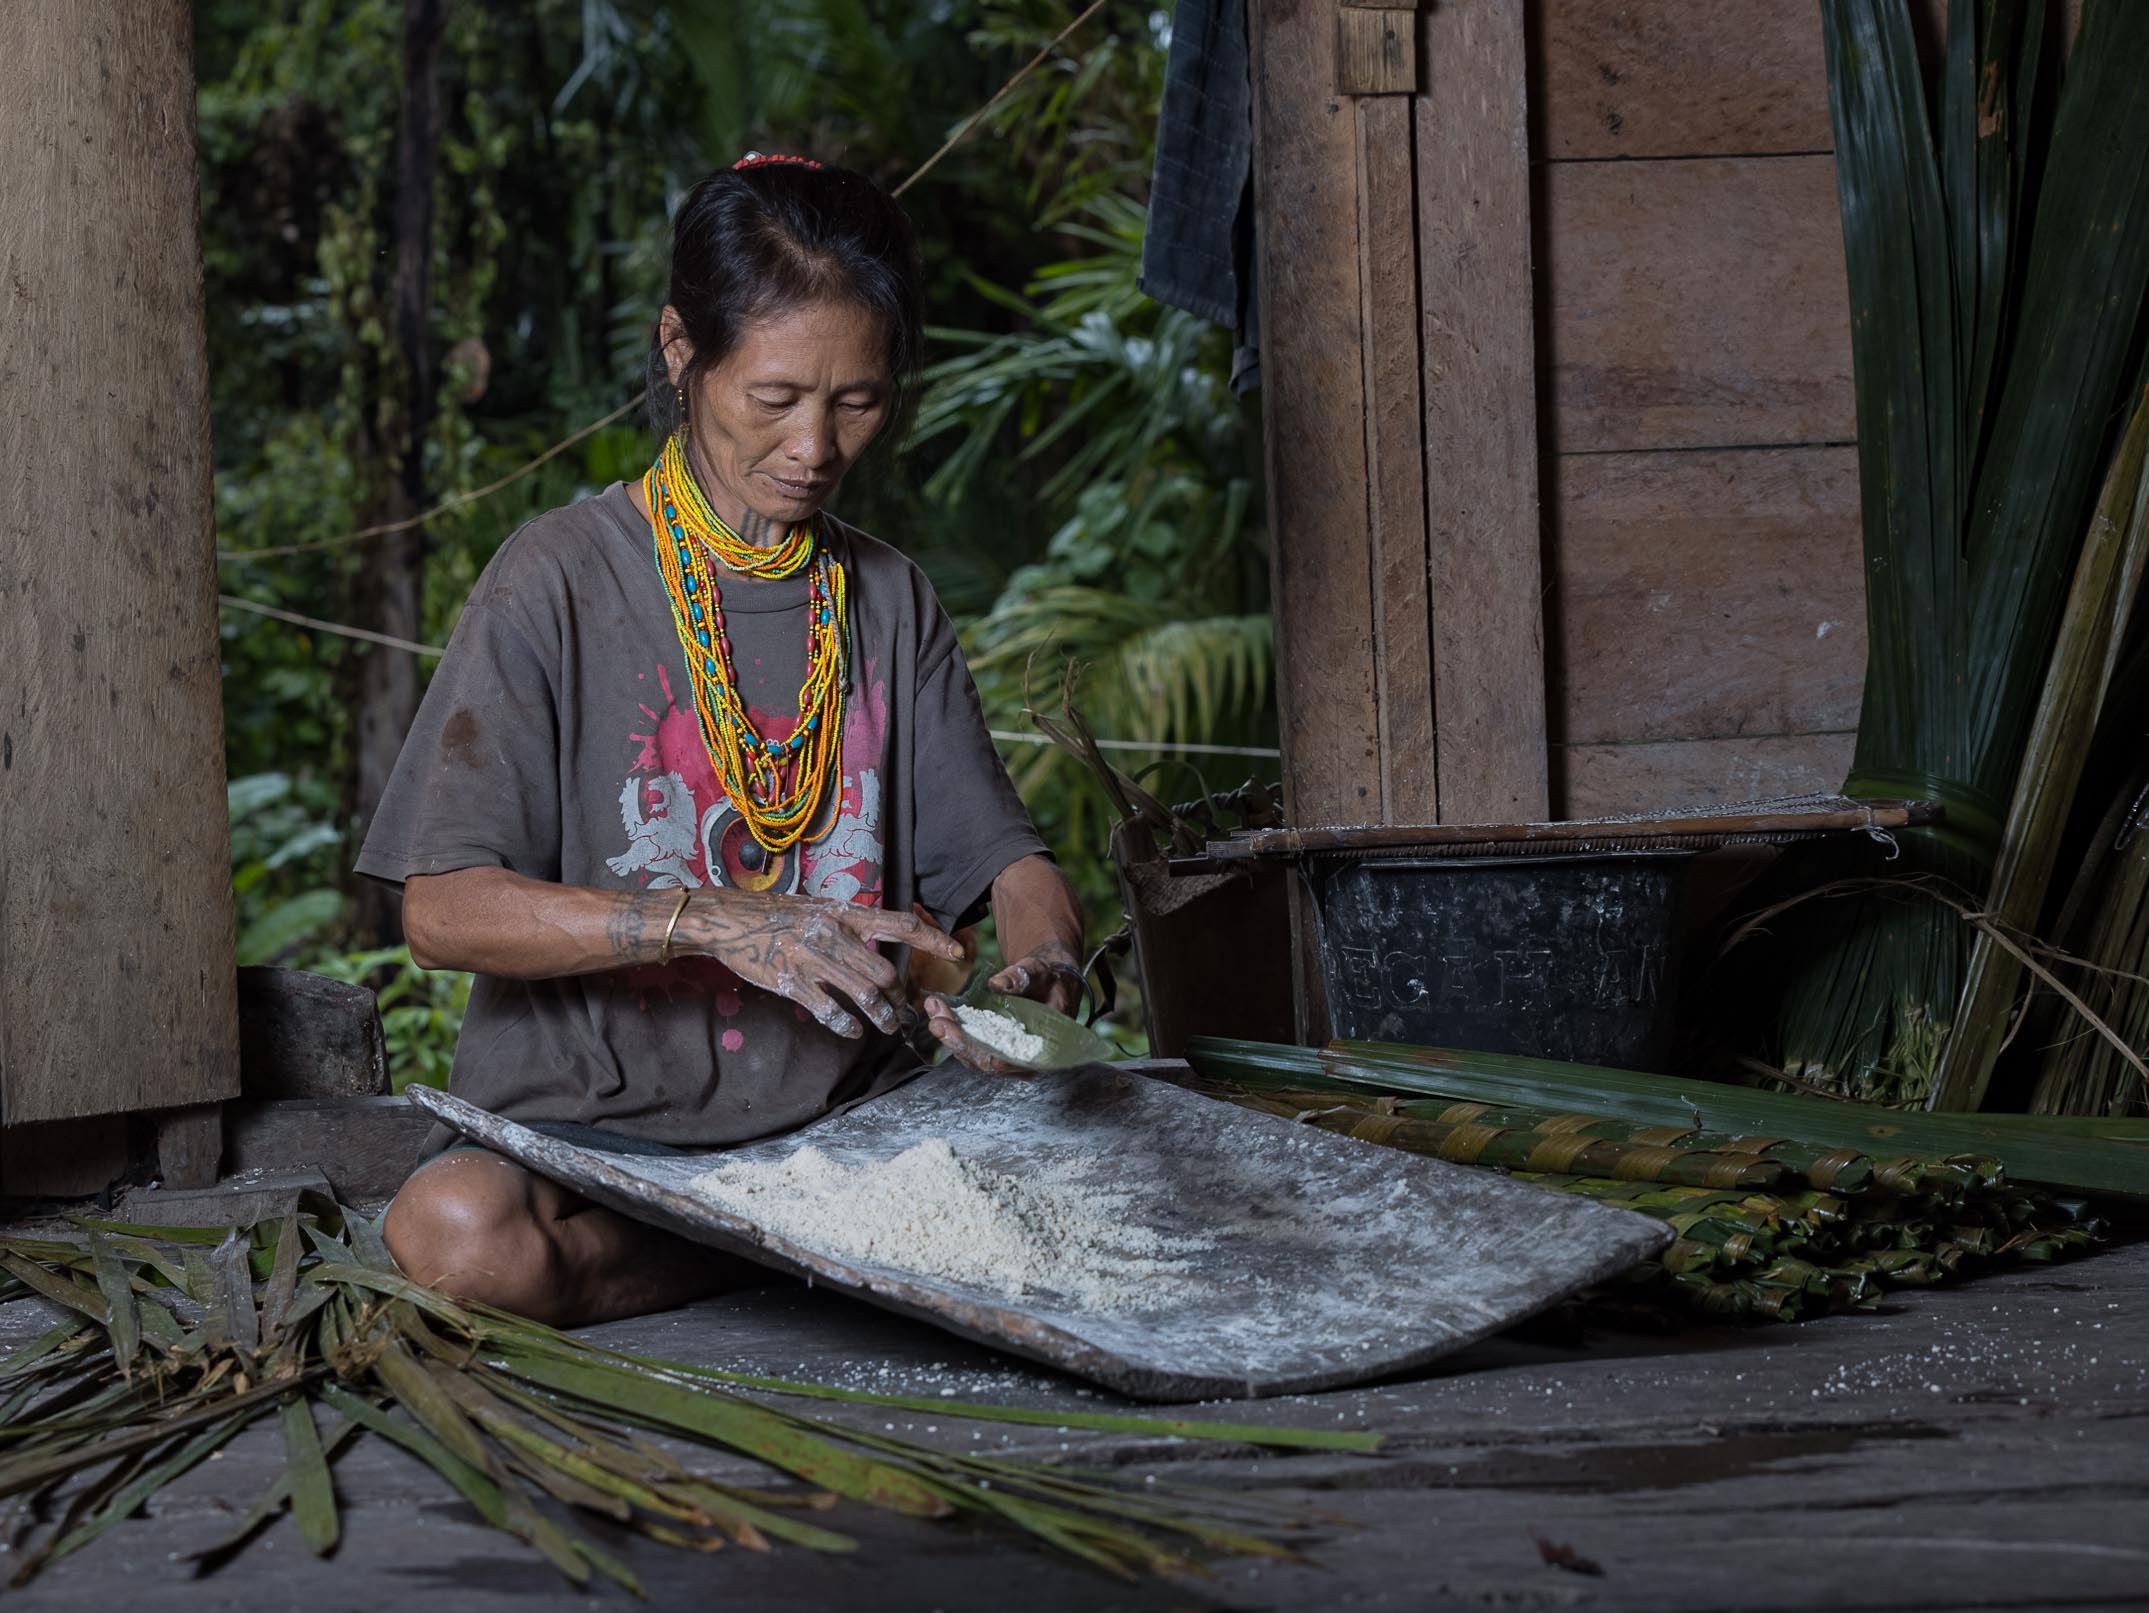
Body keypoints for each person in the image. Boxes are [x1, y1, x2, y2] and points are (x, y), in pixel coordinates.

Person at [361, 154, 1085, 1327]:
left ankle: (792, 1234)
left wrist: (1041, 967)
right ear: (679, 350)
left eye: (858, 400)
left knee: (1102, 1149)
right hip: (593, 1137)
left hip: (850, 1131)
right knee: (450, 1233)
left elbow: (1012, 868)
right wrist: (709, 916)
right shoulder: (556, 578)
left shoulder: (887, 598)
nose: (816, 445)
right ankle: (773, 1255)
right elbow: (440, 912)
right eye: (776, 396)